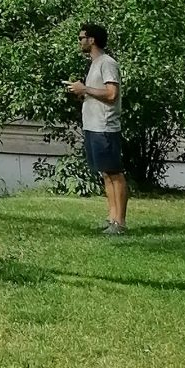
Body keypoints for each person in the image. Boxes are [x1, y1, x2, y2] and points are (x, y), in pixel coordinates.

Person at [67, 20, 128, 235]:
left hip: (105, 127)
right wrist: (81, 92)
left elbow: (112, 94)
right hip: (93, 126)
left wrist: (85, 89)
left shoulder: (107, 63)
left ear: (91, 40)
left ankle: (120, 223)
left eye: (81, 38)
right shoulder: (94, 64)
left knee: (114, 173)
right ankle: (112, 219)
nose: (79, 41)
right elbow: (98, 93)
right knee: (105, 173)